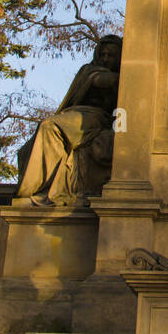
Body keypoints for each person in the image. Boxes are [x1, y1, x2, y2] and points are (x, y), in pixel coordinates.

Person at [15, 35, 121, 206]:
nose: (105, 59)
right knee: (48, 127)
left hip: (97, 117)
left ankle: (36, 187)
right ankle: (35, 188)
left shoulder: (119, 74)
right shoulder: (89, 70)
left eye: (111, 55)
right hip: (77, 114)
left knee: (50, 126)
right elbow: (101, 80)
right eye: (103, 55)